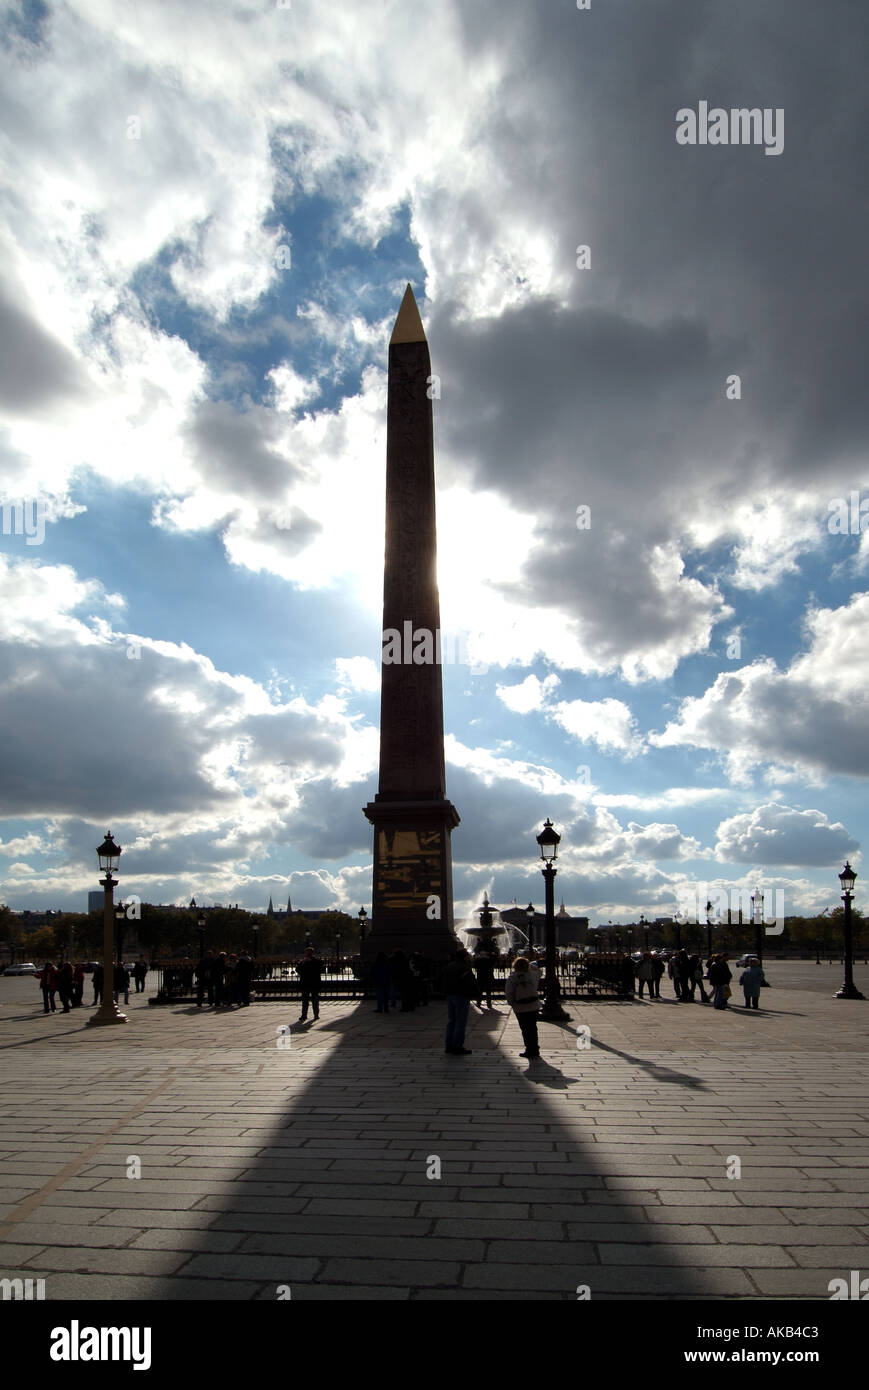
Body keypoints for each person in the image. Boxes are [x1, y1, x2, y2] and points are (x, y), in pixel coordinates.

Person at [504, 956, 541, 1059]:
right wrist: (529, 966)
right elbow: (539, 971)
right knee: (533, 1027)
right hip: (533, 1005)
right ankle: (535, 1048)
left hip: (520, 1007)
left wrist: (512, 1003)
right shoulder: (532, 975)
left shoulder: (512, 977)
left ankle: (529, 1049)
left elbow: (509, 992)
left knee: (525, 1028)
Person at [442, 947, 476, 1055]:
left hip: (450, 995)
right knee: (460, 1022)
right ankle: (457, 1046)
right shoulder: (464, 967)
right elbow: (470, 982)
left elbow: (442, 979)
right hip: (461, 996)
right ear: (465, 957)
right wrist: (476, 993)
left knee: (451, 1021)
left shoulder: (449, 966)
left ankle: (449, 1045)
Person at [296, 947, 323, 1021]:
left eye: (309, 952)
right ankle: (304, 1015)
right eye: (307, 952)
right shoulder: (303, 961)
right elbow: (297, 970)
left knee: (314, 1001)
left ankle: (316, 1014)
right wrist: (303, 963)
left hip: (313, 983)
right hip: (306, 983)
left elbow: (319, 969)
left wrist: (309, 962)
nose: (308, 954)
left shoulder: (317, 961)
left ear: (312, 953)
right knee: (305, 1001)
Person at [473, 939, 497, 1009]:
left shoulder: (479, 960)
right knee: (488, 991)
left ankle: (478, 1002)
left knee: (480, 990)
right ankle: (489, 1004)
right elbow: (494, 961)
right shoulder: (489, 960)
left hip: (480, 977)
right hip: (488, 976)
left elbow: (475, 966)